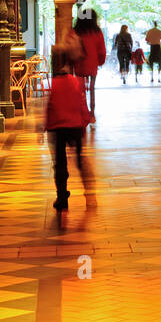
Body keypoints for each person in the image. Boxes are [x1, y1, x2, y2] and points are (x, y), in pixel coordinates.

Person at [45, 45, 94, 214]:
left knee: (60, 164)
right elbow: (82, 105)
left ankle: (62, 197)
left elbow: (50, 107)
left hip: (58, 128)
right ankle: (89, 191)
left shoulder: (54, 84)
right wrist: (84, 122)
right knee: (80, 160)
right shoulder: (76, 82)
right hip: (75, 126)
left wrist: (47, 127)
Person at [74, 16, 106, 116]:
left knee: (80, 89)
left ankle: (82, 111)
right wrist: (100, 62)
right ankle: (92, 112)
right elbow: (102, 50)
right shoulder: (97, 32)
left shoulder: (76, 31)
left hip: (79, 63)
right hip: (92, 63)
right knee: (92, 88)